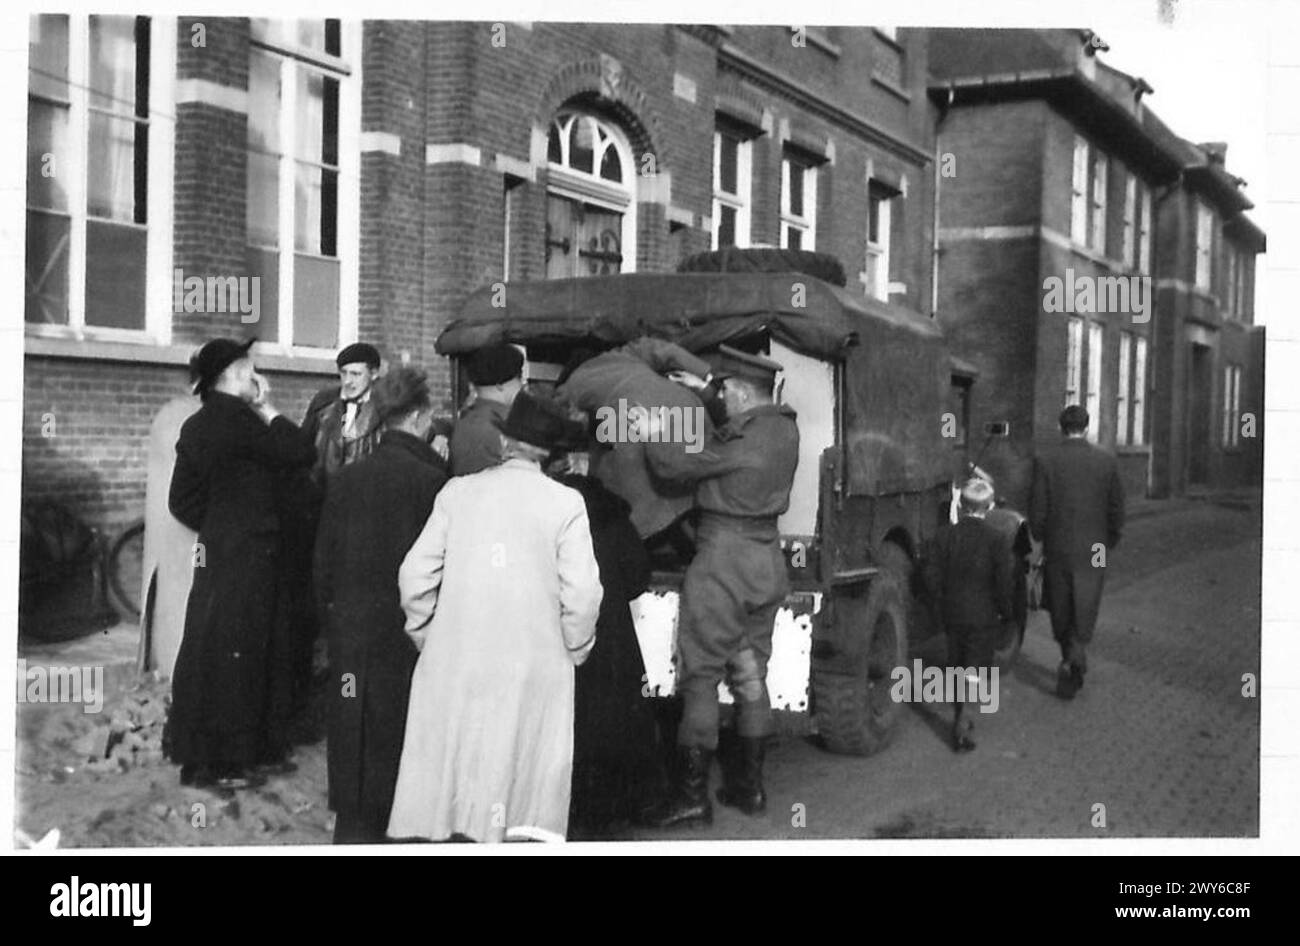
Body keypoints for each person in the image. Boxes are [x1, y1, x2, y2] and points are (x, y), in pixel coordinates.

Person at [387, 391, 603, 843]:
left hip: (456, 662)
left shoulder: (457, 492)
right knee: (517, 792)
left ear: (506, 443)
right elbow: (582, 595)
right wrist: (574, 649)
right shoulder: (565, 504)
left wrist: (427, 635)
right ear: (548, 454)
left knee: (454, 787)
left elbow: (413, 575)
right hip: (533, 670)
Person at [646, 345, 799, 828]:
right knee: (751, 675)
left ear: (741, 392)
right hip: (765, 561)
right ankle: (750, 789)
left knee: (702, 677)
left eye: (726, 392)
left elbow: (674, 466)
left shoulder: (739, 445)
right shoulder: (782, 428)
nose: (724, 401)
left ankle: (693, 798)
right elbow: (738, 421)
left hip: (723, 564)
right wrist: (708, 392)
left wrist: (656, 432)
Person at [164, 338, 317, 790]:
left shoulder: (195, 427)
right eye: (251, 371)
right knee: (252, 651)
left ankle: (205, 754)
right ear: (232, 374)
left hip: (217, 551)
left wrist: (219, 524)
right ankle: (232, 759)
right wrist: (267, 406)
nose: (256, 379)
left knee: (211, 647)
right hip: (257, 554)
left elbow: (181, 501)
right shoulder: (249, 424)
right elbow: (300, 451)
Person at [314, 366, 449, 844]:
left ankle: (353, 831)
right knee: (400, 736)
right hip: (407, 633)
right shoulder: (435, 481)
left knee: (353, 729)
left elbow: (323, 564)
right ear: (418, 417)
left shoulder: (349, 479)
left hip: (352, 630)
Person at [548, 440, 665, 838]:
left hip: (559, 639)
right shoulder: (611, 511)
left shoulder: (544, 511)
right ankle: (623, 809)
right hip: (613, 640)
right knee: (618, 723)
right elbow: (637, 578)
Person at [558, 336, 725, 542]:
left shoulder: (571, 385)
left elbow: (562, 424)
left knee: (618, 486)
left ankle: (635, 544)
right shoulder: (625, 355)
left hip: (641, 422)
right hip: (688, 406)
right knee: (688, 483)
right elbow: (665, 349)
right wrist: (707, 375)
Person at [1029, 405, 1125, 699]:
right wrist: (1108, 540)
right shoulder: (1106, 462)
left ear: (1061, 427)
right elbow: (1116, 510)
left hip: (1059, 544)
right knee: (1087, 599)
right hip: (1096, 545)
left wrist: (1040, 536)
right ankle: (1076, 654)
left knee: (1060, 603)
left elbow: (1038, 509)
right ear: (1087, 426)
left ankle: (1070, 657)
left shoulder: (1046, 461)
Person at [925, 477, 1015, 751]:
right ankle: (964, 721)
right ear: (988, 506)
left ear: (961, 505)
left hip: (953, 613)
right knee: (975, 668)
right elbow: (1003, 581)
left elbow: (931, 575)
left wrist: (939, 602)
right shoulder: (997, 539)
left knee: (956, 663)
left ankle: (960, 711)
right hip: (984, 616)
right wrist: (1006, 612)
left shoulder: (944, 536)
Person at [138, 394, 199, 680]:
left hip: (166, 530)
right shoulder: (201, 419)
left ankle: (161, 663)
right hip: (192, 533)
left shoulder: (171, 413)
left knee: (166, 593)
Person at [301, 342, 385, 487]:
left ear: (374, 374)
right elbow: (304, 448)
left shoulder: (386, 407)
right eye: (343, 373)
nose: (347, 381)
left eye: (356, 374)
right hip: (325, 493)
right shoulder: (323, 403)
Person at [448, 343, 524, 476]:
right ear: (500, 383)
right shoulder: (490, 429)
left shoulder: (471, 422)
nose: (522, 383)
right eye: (518, 377)